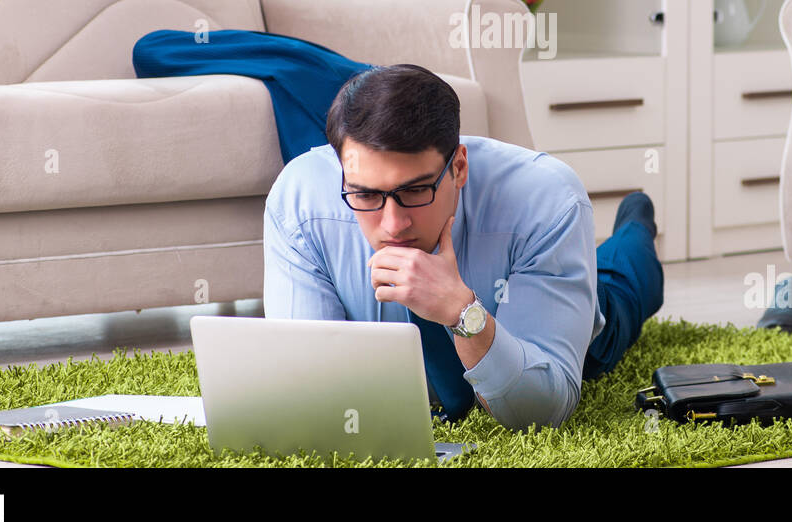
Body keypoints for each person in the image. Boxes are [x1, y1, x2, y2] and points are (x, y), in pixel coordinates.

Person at [262, 63, 665, 432]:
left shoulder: (547, 201)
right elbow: (306, 387)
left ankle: (635, 226)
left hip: (548, 328)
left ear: (459, 167)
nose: (393, 224)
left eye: (416, 190)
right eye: (366, 195)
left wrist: (462, 313)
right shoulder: (301, 204)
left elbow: (543, 409)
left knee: (622, 284)